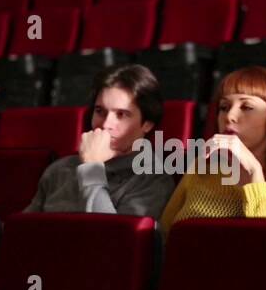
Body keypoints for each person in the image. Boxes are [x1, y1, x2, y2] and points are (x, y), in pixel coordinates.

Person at [159, 66, 266, 232]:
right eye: (224, 107)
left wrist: (254, 175)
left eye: (246, 107)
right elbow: (162, 237)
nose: (229, 116)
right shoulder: (202, 169)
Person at [24, 64, 175, 218]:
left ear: (147, 124)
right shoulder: (59, 170)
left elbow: (115, 236)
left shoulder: (153, 181)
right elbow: (22, 231)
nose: (105, 124)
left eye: (121, 114)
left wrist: (91, 168)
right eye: (100, 111)